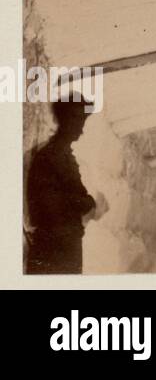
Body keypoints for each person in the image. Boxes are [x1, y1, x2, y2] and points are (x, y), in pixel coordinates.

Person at [25, 94, 107, 274]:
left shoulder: (60, 156)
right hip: (55, 251)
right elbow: (65, 203)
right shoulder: (54, 157)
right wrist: (89, 202)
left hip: (63, 248)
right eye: (79, 121)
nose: (81, 129)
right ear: (67, 120)